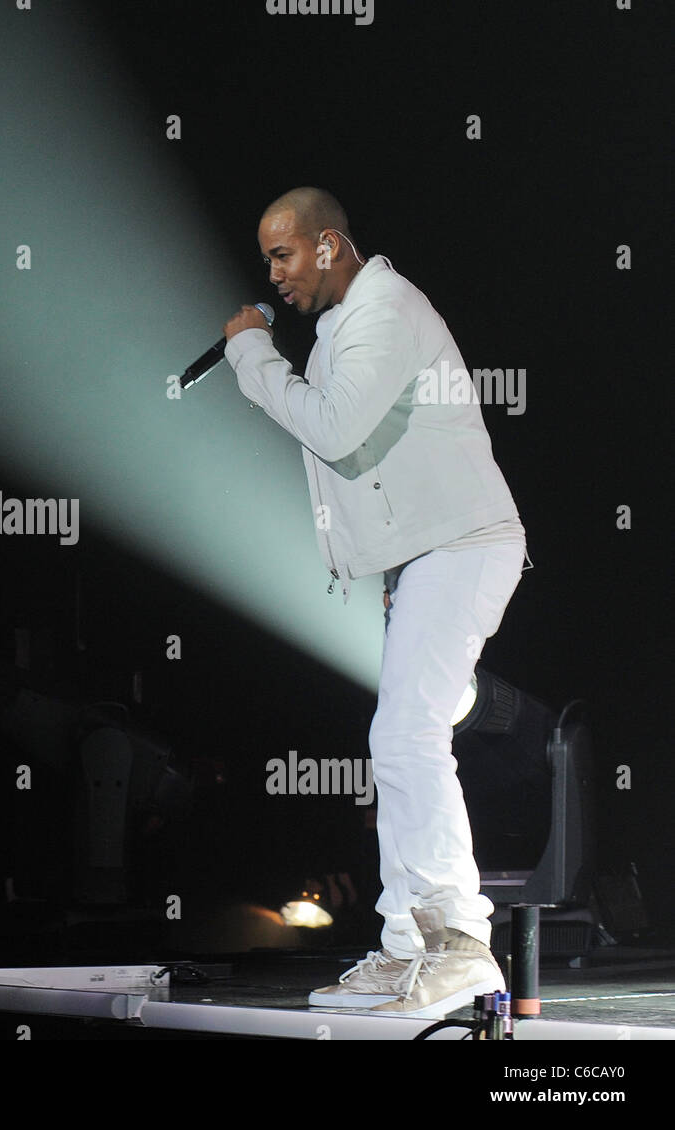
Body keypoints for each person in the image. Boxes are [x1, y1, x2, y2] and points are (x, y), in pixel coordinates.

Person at [222, 187, 529, 1019]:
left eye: (282, 255)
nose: (274, 276)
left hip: (465, 544)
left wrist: (253, 356)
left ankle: (459, 945)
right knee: (396, 737)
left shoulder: (387, 307)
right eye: (267, 264)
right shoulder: (342, 329)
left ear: (328, 246)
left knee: (407, 734)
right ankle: (405, 947)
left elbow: (336, 428)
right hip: (426, 556)